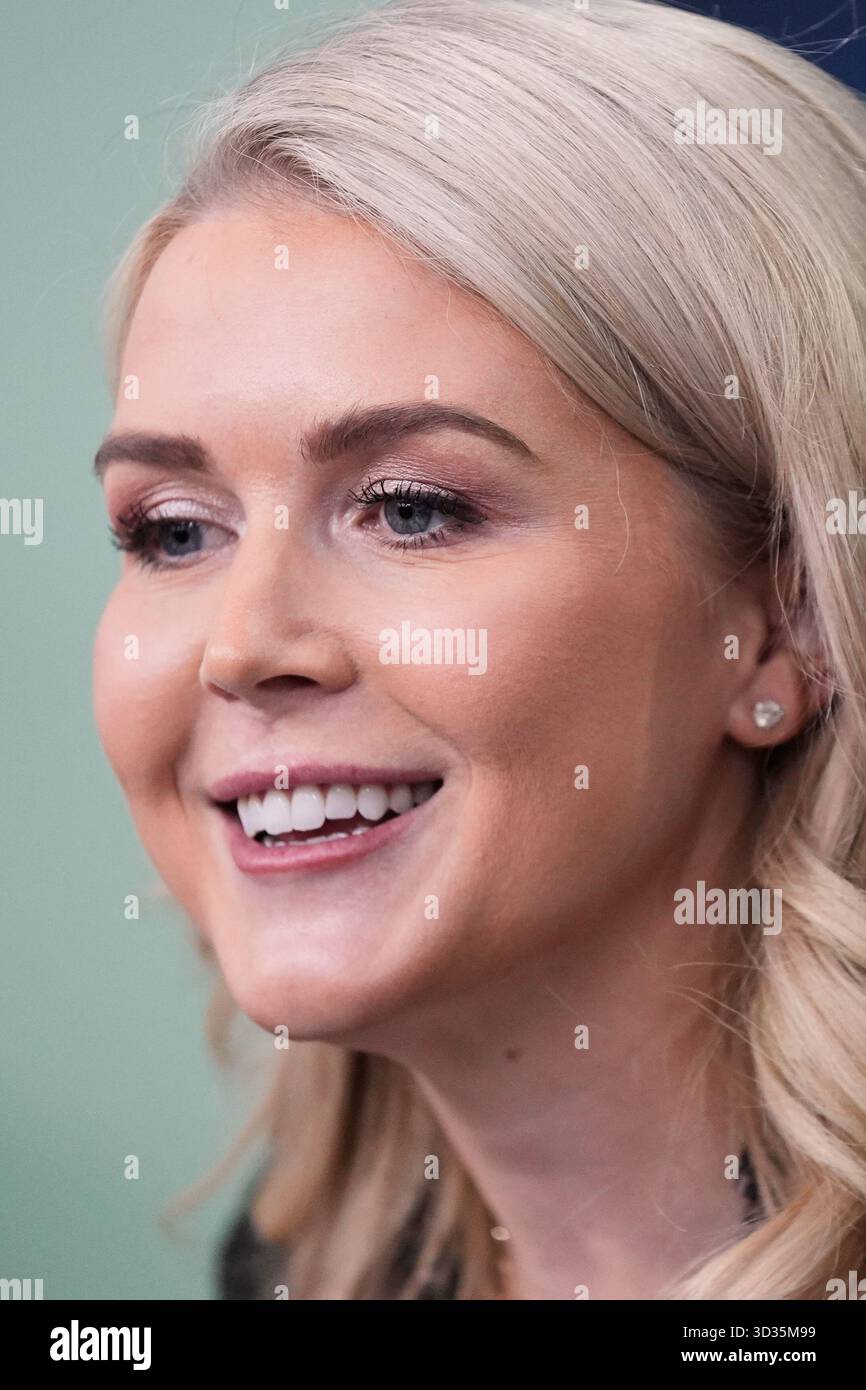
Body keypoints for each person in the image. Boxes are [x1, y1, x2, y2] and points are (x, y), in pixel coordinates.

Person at [92, 0, 866, 1298]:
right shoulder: (298, 1270)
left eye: (411, 509)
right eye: (173, 531)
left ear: (782, 620)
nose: (241, 645)